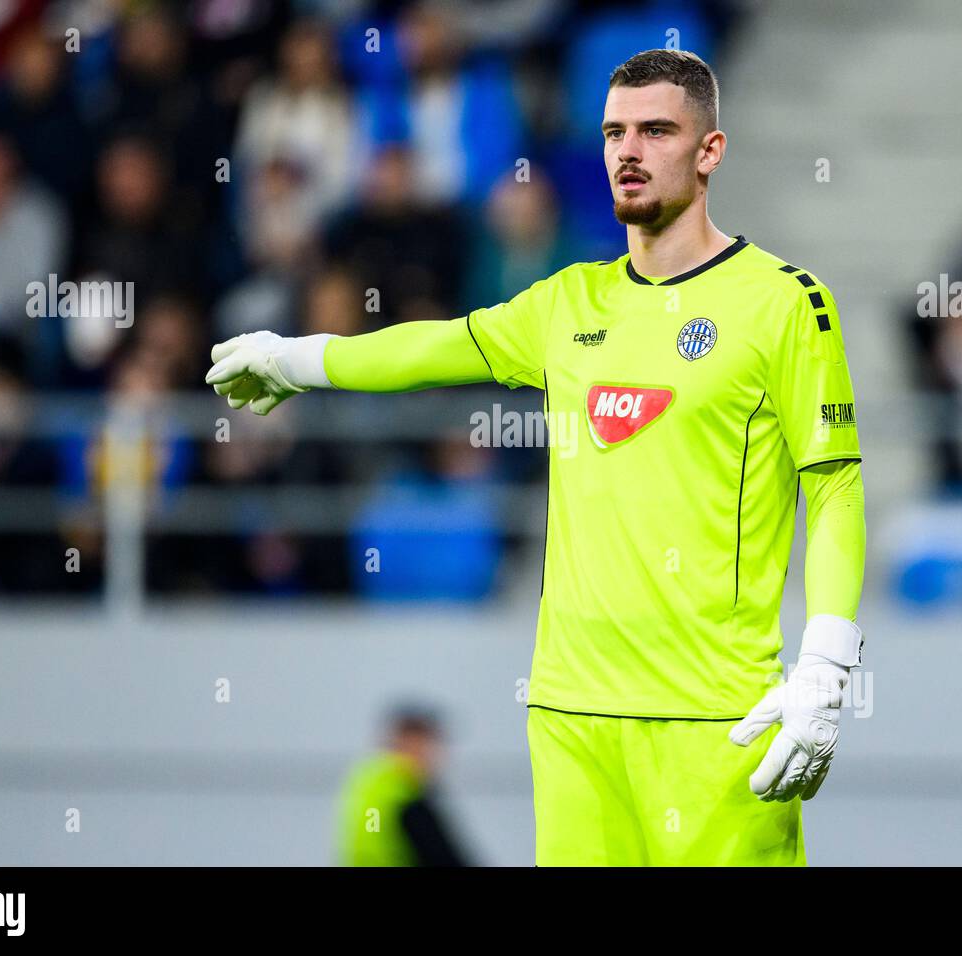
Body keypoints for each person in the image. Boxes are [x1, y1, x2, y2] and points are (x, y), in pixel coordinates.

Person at [208, 50, 867, 866]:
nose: (629, 150)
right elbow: (435, 348)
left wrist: (826, 665)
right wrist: (296, 359)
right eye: (614, 132)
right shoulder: (568, 302)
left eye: (657, 130)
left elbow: (833, 489)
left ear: (710, 151)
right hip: (570, 715)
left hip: (717, 718)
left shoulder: (784, 303)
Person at [336, 705, 471, 867]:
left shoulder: (369, 784)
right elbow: (443, 857)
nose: (436, 758)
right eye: (428, 747)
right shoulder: (404, 797)